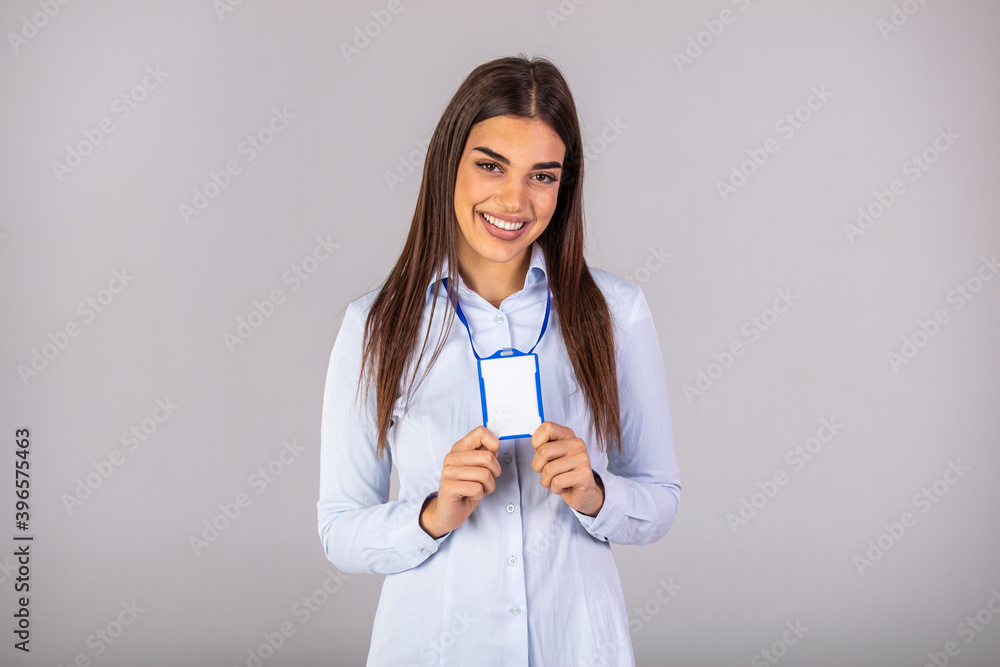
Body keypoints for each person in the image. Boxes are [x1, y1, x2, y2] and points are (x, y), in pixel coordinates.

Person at [317, 54, 681, 667]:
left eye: (543, 175)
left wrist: (594, 494)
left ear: (564, 184)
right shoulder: (376, 326)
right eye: (491, 166)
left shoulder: (618, 313)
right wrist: (432, 513)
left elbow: (660, 500)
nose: (514, 199)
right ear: (448, 164)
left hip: (576, 648)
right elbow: (340, 531)